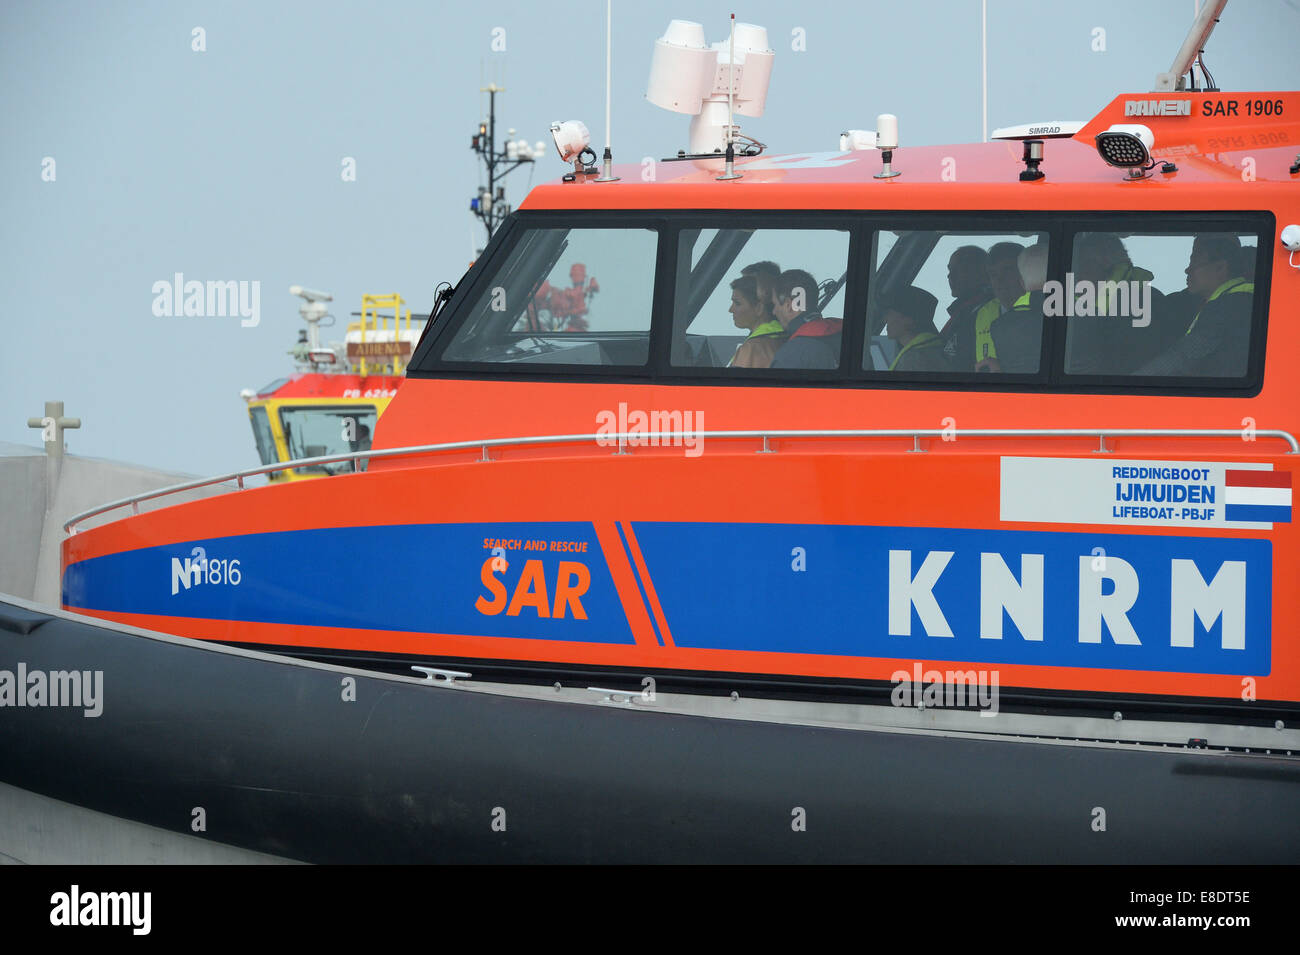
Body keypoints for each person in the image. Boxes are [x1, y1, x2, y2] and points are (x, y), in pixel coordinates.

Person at [1135, 236, 1254, 377]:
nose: (1187, 270)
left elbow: (1184, 356)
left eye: (1194, 262)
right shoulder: (1230, 298)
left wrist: (1135, 382)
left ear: (1220, 267)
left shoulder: (1233, 305)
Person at [986, 242, 1048, 373]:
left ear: (1024, 273)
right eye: (993, 274)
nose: (999, 280)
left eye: (1007, 270)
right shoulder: (978, 316)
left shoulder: (1053, 312)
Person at [939, 246, 998, 371]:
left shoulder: (991, 310)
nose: (950, 276)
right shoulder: (964, 312)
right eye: (950, 270)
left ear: (982, 271)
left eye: (960, 269)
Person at [769, 269, 842, 369]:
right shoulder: (852, 338)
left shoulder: (792, 354)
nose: (774, 311)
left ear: (789, 305)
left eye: (775, 304)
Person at [882, 286, 946, 372]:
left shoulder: (913, 360)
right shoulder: (933, 353)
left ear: (908, 320)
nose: (885, 320)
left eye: (889, 314)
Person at [727, 274, 786, 368]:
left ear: (759, 308)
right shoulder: (787, 339)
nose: (730, 309)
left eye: (737, 303)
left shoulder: (750, 349)